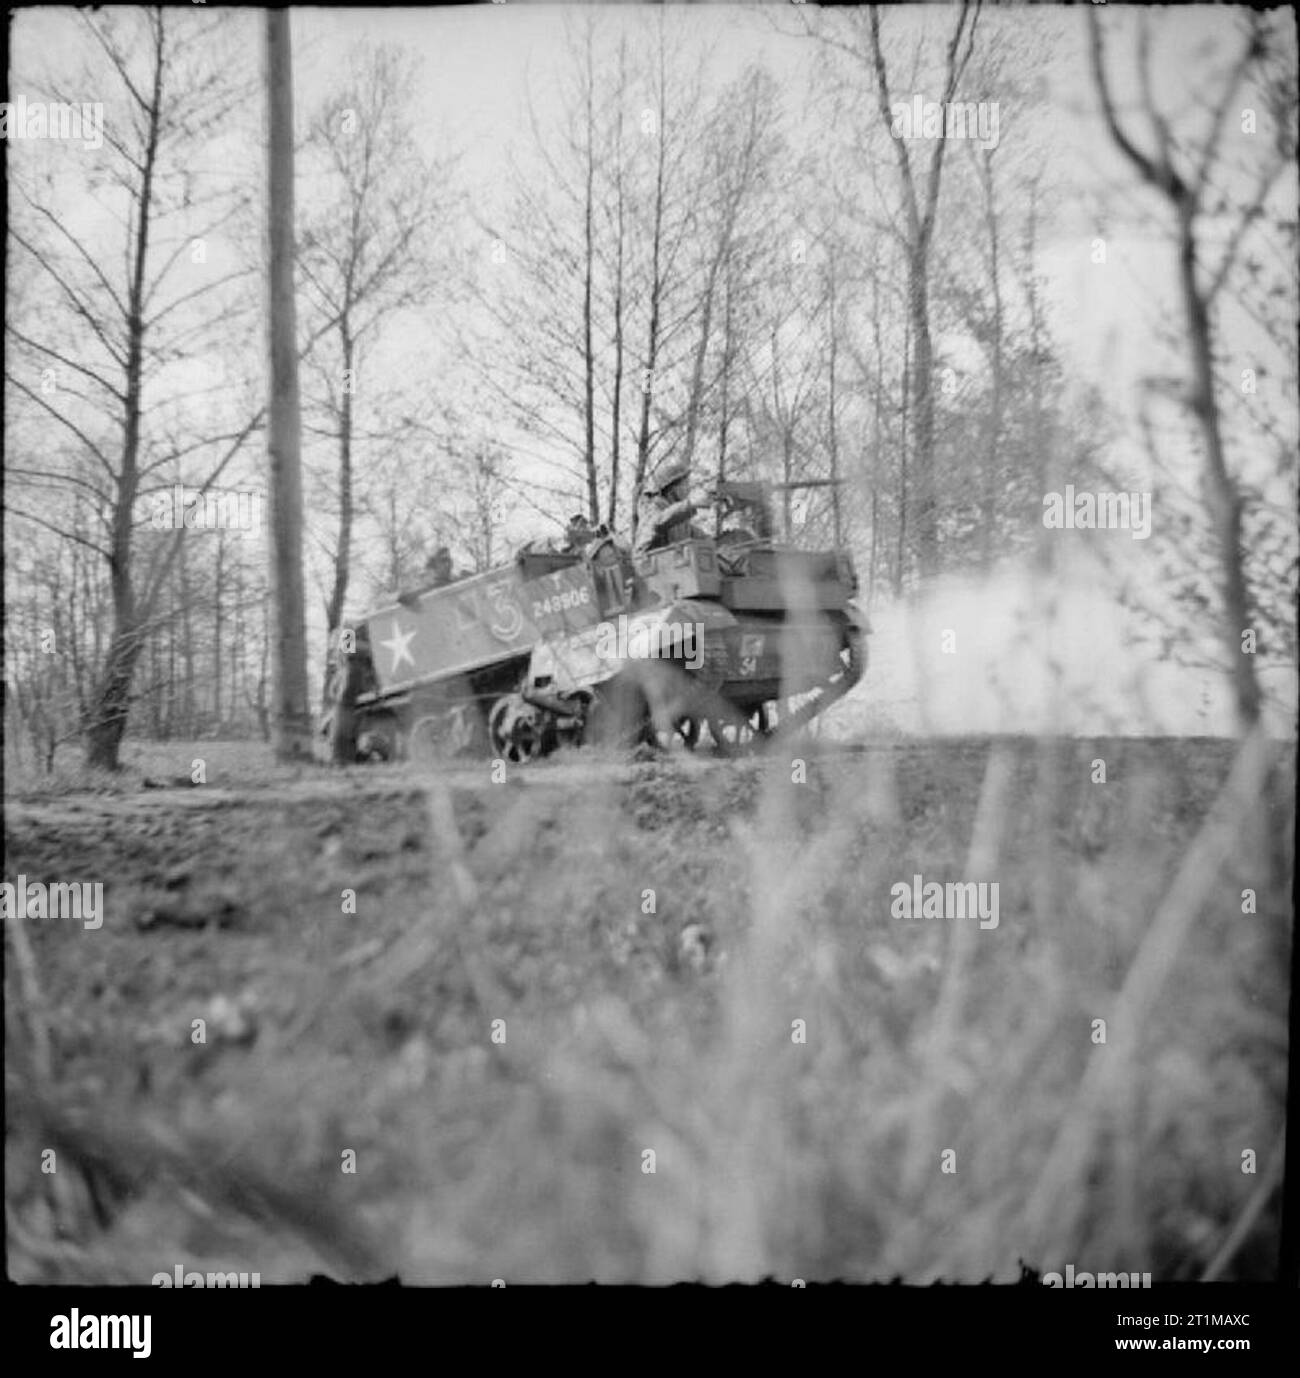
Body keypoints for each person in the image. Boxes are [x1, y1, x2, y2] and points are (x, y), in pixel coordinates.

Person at [633, 457, 708, 558]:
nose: (689, 488)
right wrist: (691, 504)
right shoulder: (651, 508)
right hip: (647, 568)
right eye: (685, 484)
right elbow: (658, 522)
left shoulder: (682, 523)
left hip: (670, 569)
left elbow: (704, 541)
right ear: (672, 488)